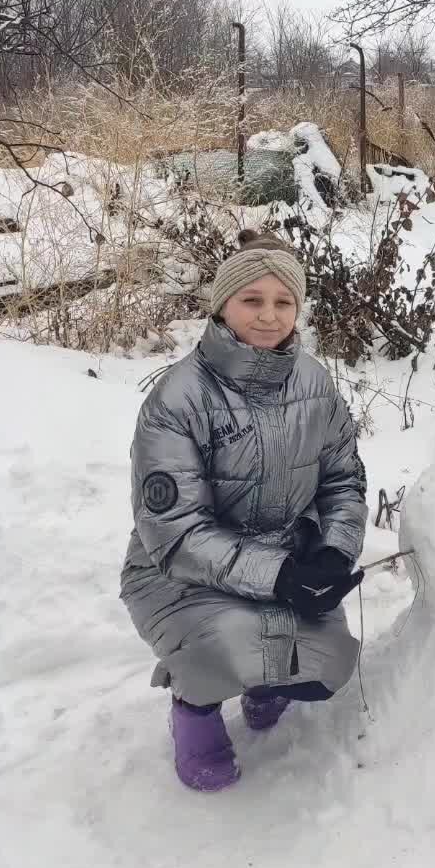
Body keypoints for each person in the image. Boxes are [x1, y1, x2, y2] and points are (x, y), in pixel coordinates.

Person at [120, 230, 367, 792]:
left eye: (283, 301)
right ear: (222, 306)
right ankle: (195, 709)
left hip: (285, 563)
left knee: (330, 661)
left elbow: (343, 480)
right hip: (178, 574)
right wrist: (279, 576)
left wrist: (333, 552)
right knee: (227, 642)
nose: (268, 316)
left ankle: (263, 684)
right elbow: (175, 532)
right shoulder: (179, 397)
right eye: (251, 299)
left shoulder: (315, 382)